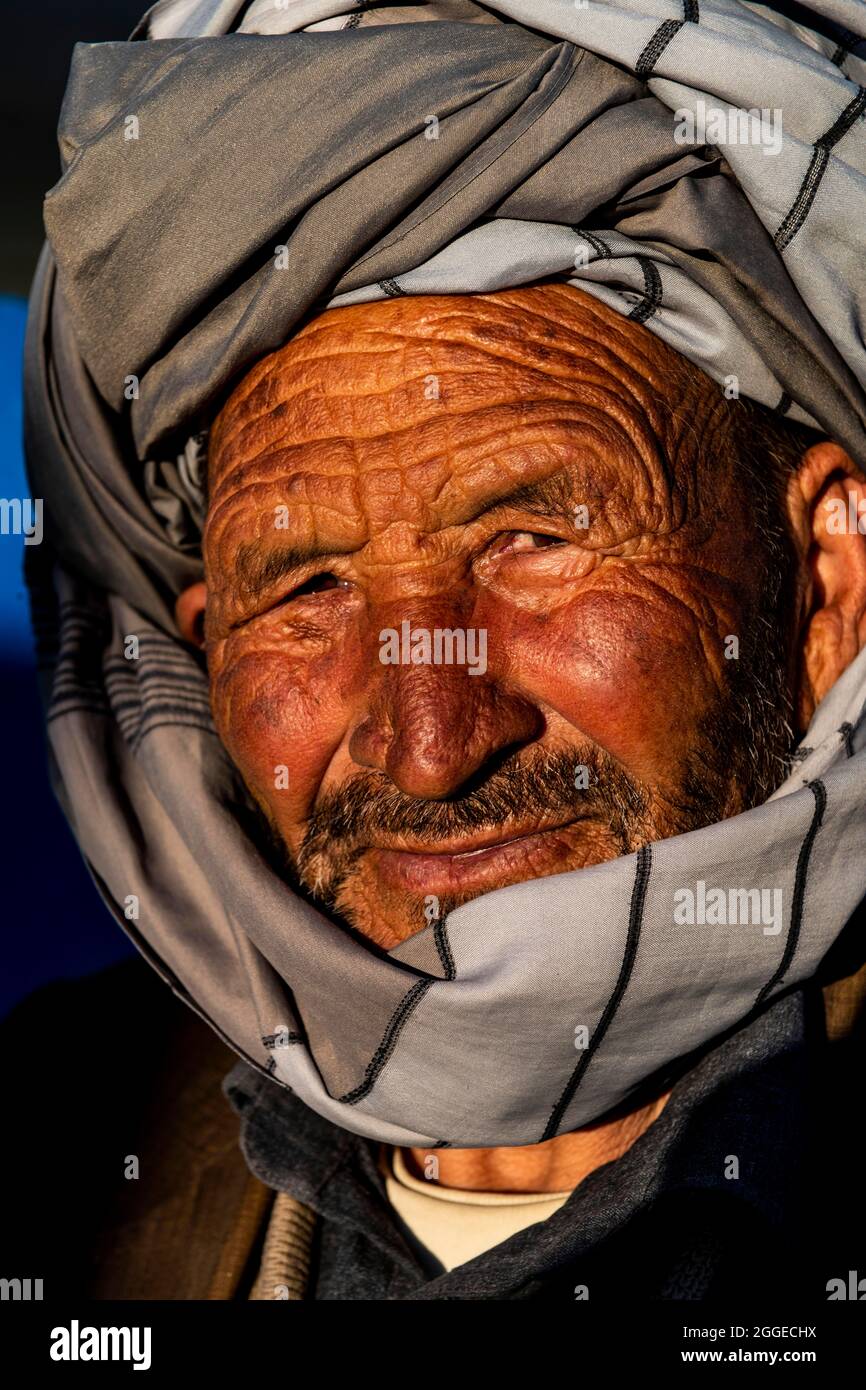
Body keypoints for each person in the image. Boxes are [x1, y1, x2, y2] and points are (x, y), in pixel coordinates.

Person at [6, 0, 866, 1300]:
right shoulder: (50, 1145)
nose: (428, 741)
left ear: (821, 579)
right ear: (202, 656)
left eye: (531, 539)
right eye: (302, 587)